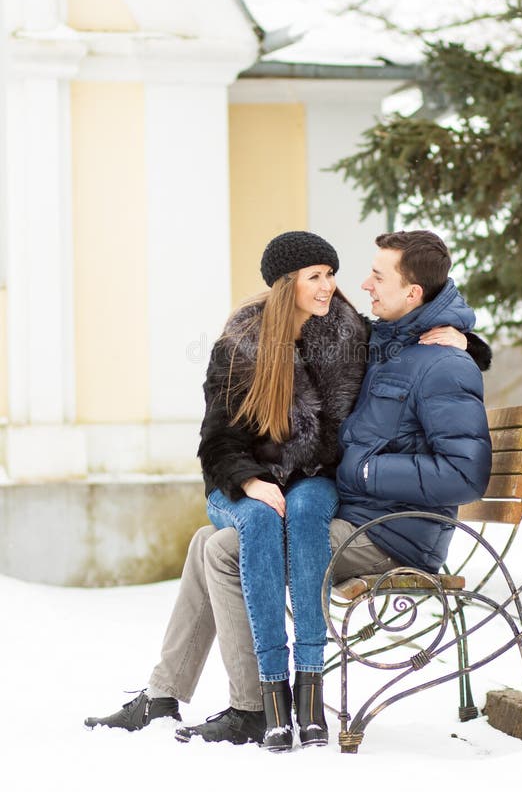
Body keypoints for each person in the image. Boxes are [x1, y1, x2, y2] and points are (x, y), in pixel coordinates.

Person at [84, 229, 489, 750]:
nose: (354, 285)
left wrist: (464, 342)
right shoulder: (383, 340)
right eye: (321, 276)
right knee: (204, 543)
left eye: (374, 275)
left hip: (393, 532)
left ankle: (253, 707)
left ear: (410, 294)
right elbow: (223, 435)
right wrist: (466, 337)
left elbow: (463, 470)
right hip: (358, 513)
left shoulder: (411, 351)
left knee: (225, 552)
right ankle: (165, 693)